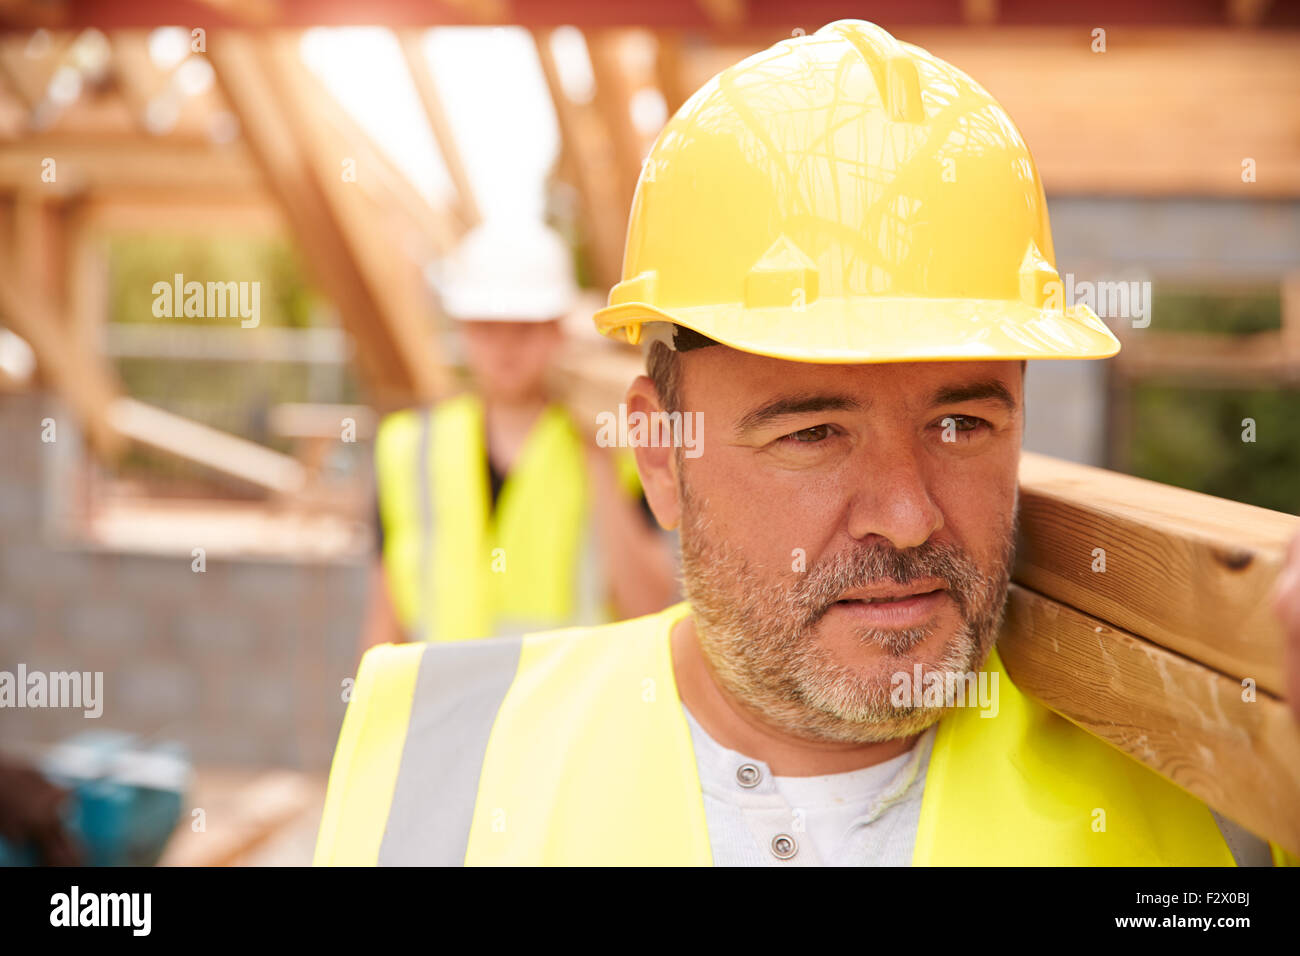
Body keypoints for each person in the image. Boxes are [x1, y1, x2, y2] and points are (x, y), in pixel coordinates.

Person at [319, 21, 1300, 865]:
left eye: (961, 423)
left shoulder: (1188, 781)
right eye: (814, 431)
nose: (909, 515)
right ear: (658, 454)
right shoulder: (436, 768)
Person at [360, 218, 677, 649]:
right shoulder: (408, 448)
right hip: (449, 712)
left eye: (524, 327)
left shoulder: (613, 452)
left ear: (558, 330)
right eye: (488, 327)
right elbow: (385, 623)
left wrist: (594, 454)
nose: (505, 347)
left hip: (565, 715)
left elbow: (647, 608)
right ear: (462, 328)